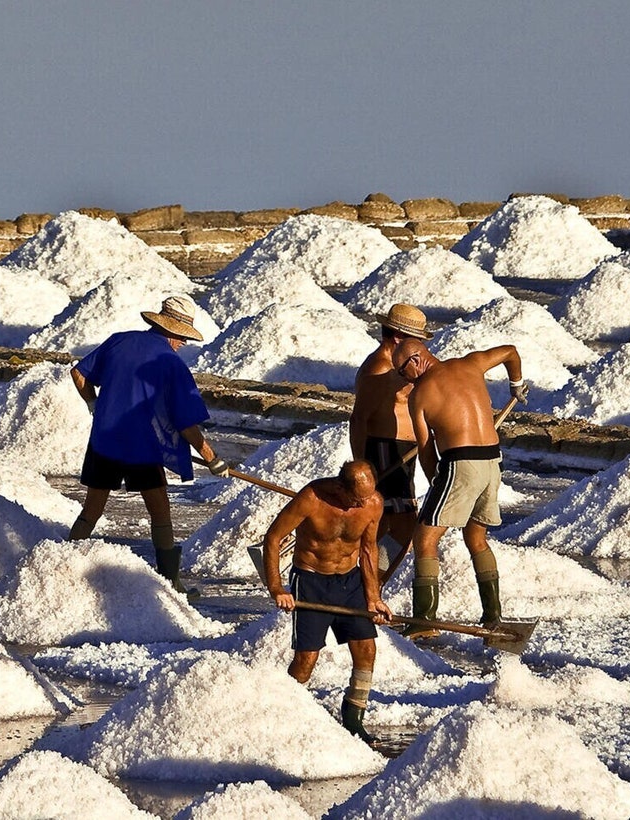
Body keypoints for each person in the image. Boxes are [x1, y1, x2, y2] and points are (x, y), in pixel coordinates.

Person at [68, 294, 228, 589]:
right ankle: (171, 583)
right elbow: (185, 423)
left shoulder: (119, 341)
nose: (183, 344)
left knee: (92, 509)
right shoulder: (171, 363)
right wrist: (212, 458)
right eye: (182, 338)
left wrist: (94, 404)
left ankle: (62, 563)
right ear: (172, 332)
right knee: (159, 510)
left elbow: (78, 373)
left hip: (105, 440)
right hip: (142, 448)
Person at [393, 337, 527, 630]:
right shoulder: (472, 363)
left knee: (425, 538)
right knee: (476, 538)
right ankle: (493, 617)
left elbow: (427, 450)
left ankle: (424, 621)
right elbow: (510, 351)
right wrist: (515, 384)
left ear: (415, 361)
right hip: (493, 463)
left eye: (402, 372)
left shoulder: (420, 394)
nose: (403, 379)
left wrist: (435, 485)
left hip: (460, 464)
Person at [262, 459, 391, 743]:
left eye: (367, 497)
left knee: (366, 649)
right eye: (356, 499)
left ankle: (354, 715)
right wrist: (276, 588)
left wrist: (373, 597)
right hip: (311, 581)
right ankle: (287, 715)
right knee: (306, 659)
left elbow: (368, 549)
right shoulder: (312, 498)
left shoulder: (372, 503)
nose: (363, 505)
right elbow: (273, 538)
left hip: (350, 581)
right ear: (340, 488)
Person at [349, 302, 432, 584]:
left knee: (386, 525)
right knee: (401, 526)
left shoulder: (397, 367)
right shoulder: (380, 369)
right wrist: (361, 466)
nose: (420, 348)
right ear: (398, 337)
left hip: (402, 455)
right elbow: (358, 419)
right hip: (385, 452)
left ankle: (365, 585)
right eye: (417, 341)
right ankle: (369, 586)